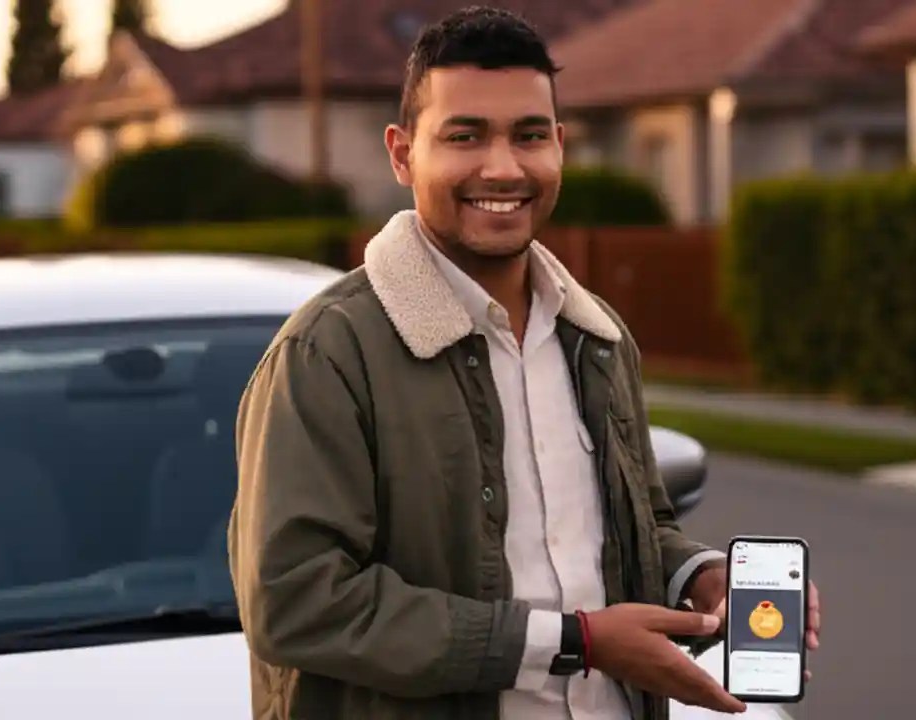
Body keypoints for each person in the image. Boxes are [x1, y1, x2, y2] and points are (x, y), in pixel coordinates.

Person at [228, 6, 821, 719]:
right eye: (465, 136)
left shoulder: (596, 340)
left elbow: (627, 532)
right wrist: (579, 642)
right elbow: (298, 601)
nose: (503, 167)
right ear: (401, 152)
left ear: (560, 147)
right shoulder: (327, 354)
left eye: (529, 135)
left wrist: (698, 577)